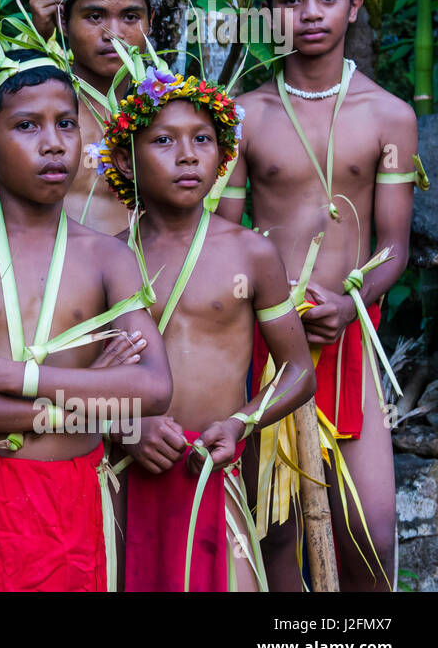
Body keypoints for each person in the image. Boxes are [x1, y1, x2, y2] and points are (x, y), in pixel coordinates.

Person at [0, 48, 172, 592]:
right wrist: (86, 397)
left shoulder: (109, 258)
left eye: (67, 124)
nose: (53, 142)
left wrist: (22, 380)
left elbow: (152, 387)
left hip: (78, 494)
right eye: (27, 125)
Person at [218, 0, 419, 591]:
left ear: (353, 7)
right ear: (270, 14)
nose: (309, 13)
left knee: (369, 529)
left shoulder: (388, 115)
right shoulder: (243, 115)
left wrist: (350, 295)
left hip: (348, 332)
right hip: (265, 337)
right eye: (292, 0)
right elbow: (225, 230)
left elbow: (394, 243)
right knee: (275, 527)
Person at [90, 55, 315, 591]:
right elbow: (71, 380)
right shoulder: (102, 260)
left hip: (212, 469)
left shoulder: (250, 254)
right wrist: (125, 428)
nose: (186, 156)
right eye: (163, 141)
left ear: (222, 156)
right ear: (123, 158)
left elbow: (297, 371)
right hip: (125, 470)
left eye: (203, 139)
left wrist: (242, 422)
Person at [28, 0, 155, 234]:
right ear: (63, 19)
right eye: (94, 16)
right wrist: (34, 39)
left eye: (130, 17)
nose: (113, 33)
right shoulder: (37, 107)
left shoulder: (170, 108)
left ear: (150, 20)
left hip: (149, 284)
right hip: (52, 283)